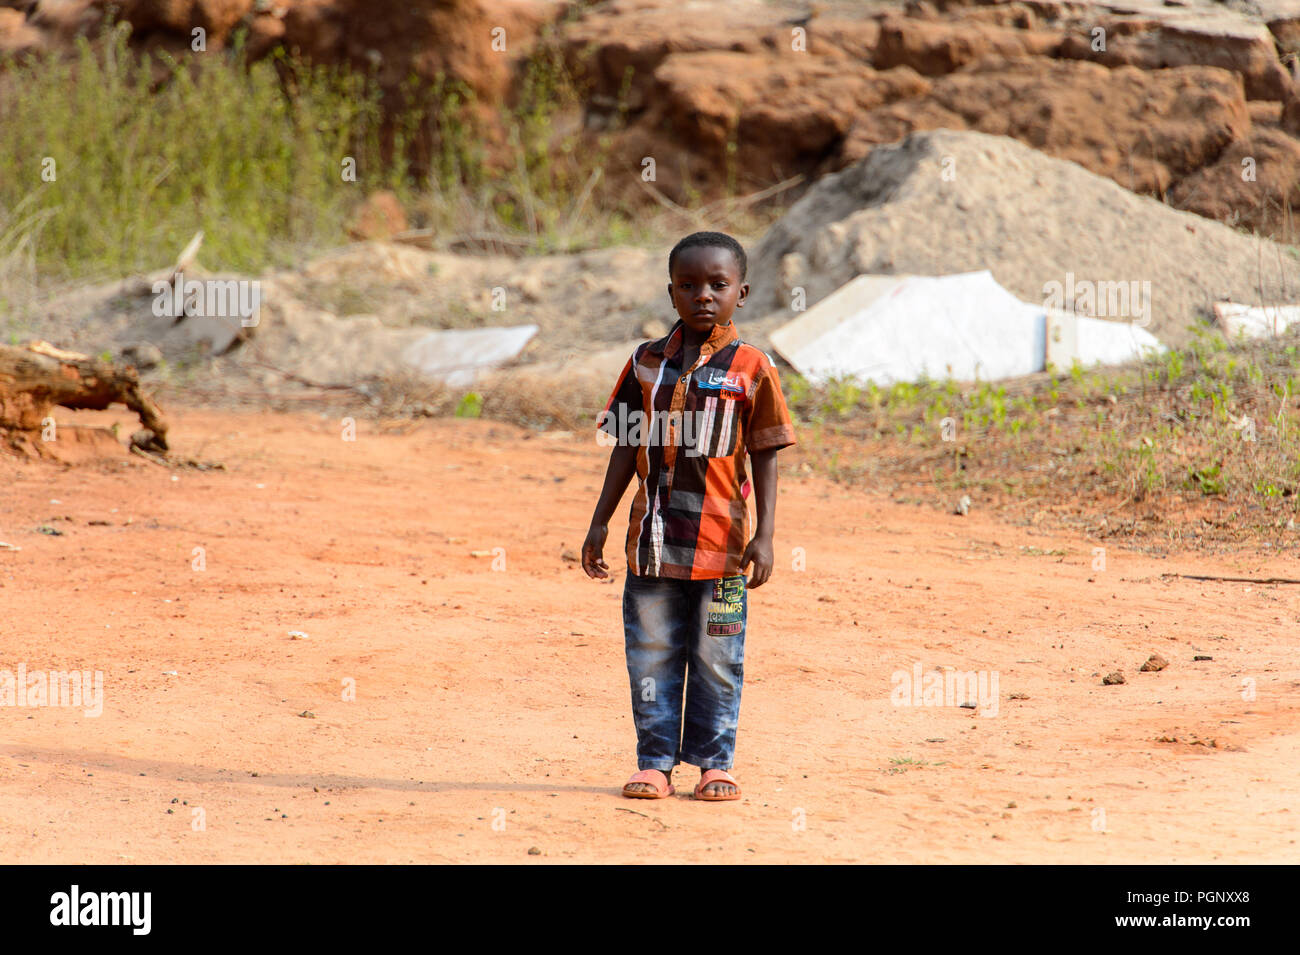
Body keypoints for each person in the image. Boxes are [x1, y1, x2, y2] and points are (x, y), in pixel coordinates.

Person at [582, 230, 797, 801]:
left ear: (741, 292)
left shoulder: (753, 368)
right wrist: (600, 522)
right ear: (671, 292)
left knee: (718, 657)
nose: (704, 294)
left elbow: (766, 453)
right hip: (652, 544)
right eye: (689, 284)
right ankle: (653, 762)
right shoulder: (645, 364)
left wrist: (767, 536)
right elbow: (626, 447)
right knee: (651, 655)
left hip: (725, 548)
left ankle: (714, 764)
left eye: (718, 285)